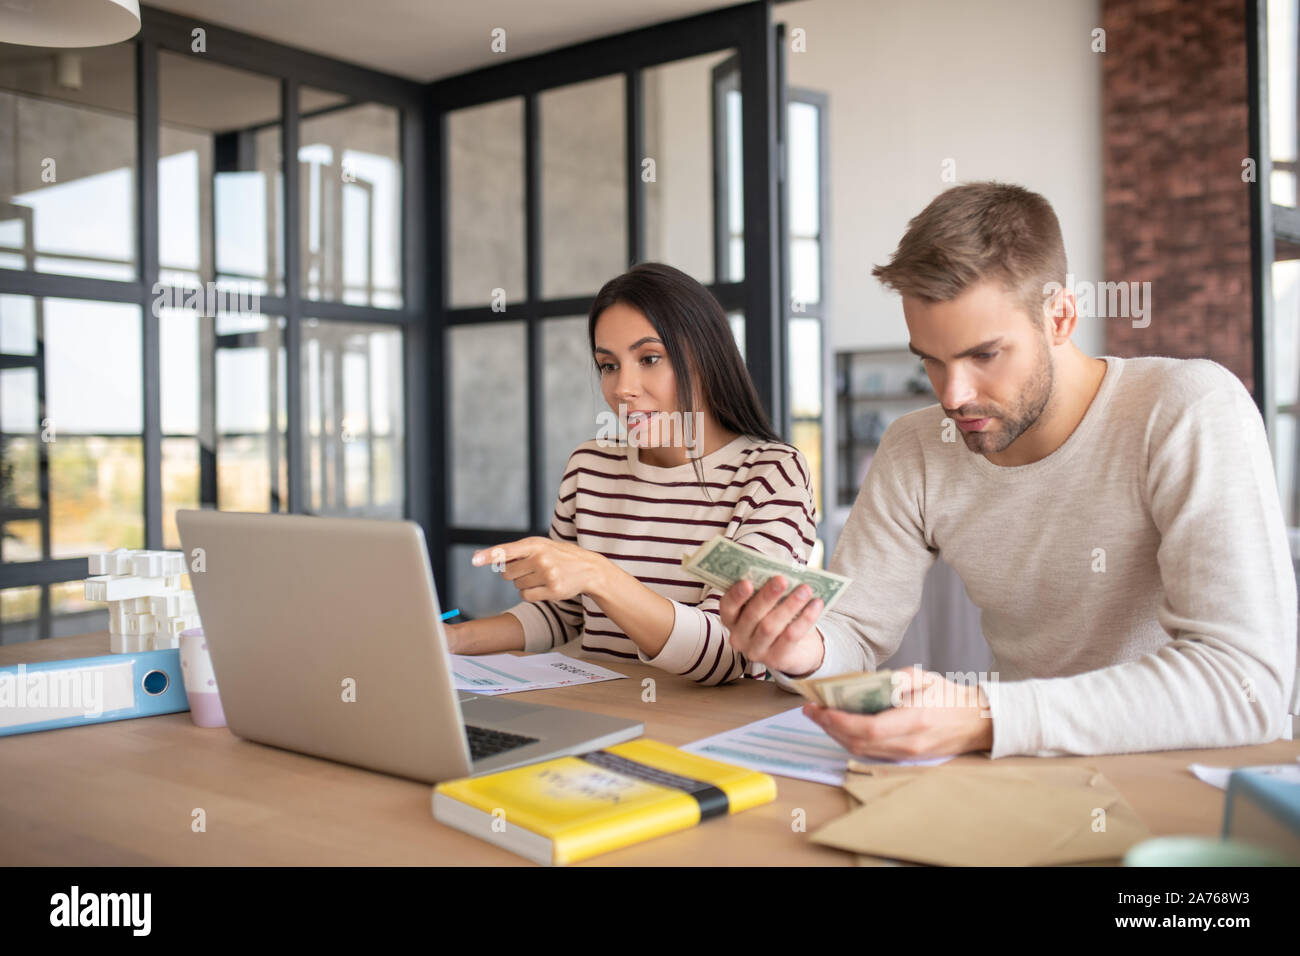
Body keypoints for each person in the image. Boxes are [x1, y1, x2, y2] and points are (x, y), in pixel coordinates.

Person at [720, 181, 1297, 757]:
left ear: (1061, 318)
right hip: (1023, 772)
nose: (952, 395)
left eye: (983, 355)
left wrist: (987, 716)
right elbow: (853, 634)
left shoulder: (1187, 409)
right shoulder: (916, 448)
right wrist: (802, 650)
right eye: (931, 361)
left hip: (1193, 783)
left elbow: (1246, 684)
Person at [445, 262, 817, 685]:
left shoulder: (771, 474)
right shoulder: (590, 466)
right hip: (601, 714)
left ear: (705, 357)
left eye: (649, 358)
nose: (623, 387)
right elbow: (563, 614)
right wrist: (453, 640)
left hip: (704, 731)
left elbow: (725, 653)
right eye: (608, 365)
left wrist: (599, 575)